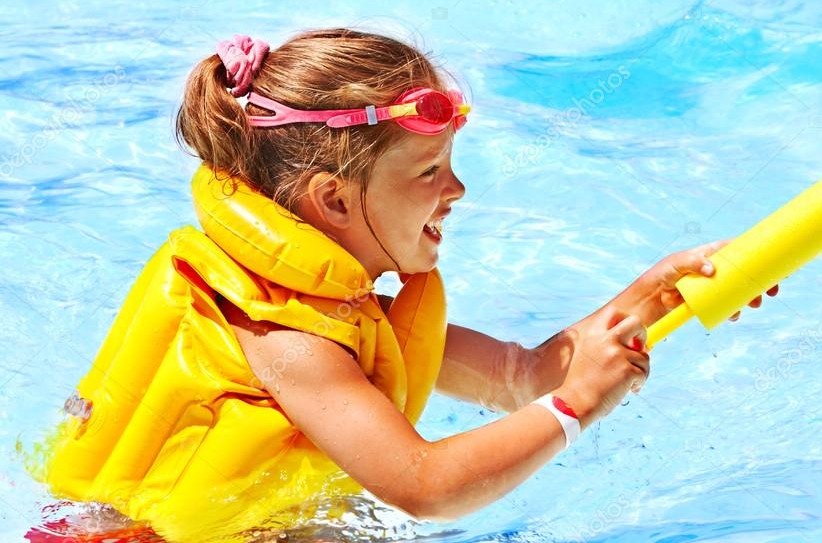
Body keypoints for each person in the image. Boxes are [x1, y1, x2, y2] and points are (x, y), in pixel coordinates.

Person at [39, 28, 774, 541]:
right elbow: (424, 487)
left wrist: (659, 291)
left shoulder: (355, 319)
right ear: (332, 200)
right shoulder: (286, 343)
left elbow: (524, 374)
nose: (457, 189)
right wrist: (576, 407)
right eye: (428, 171)